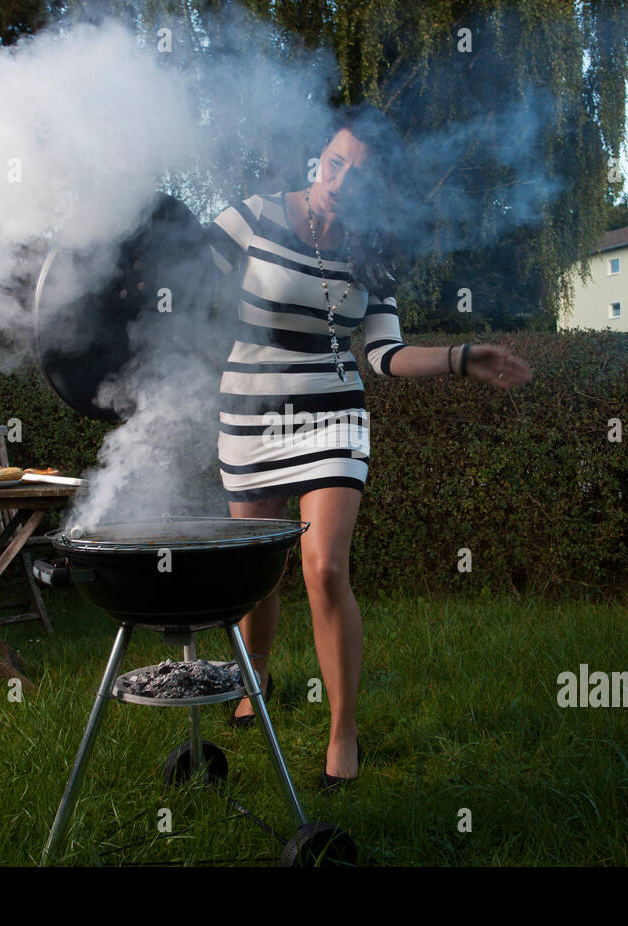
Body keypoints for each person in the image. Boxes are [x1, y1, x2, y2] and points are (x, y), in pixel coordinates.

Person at [208, 104, 530, 787]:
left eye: (361, 174)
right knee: (256, 570)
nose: (342, 181)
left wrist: (459, 356)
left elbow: (383, 354)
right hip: (252, 411)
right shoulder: (251, 216)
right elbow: (175, 284)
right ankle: (256, 675)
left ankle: (343, 736)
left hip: (332, 413)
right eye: (335, 163)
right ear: (317, 157)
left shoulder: (372, 249)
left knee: (323, 568)